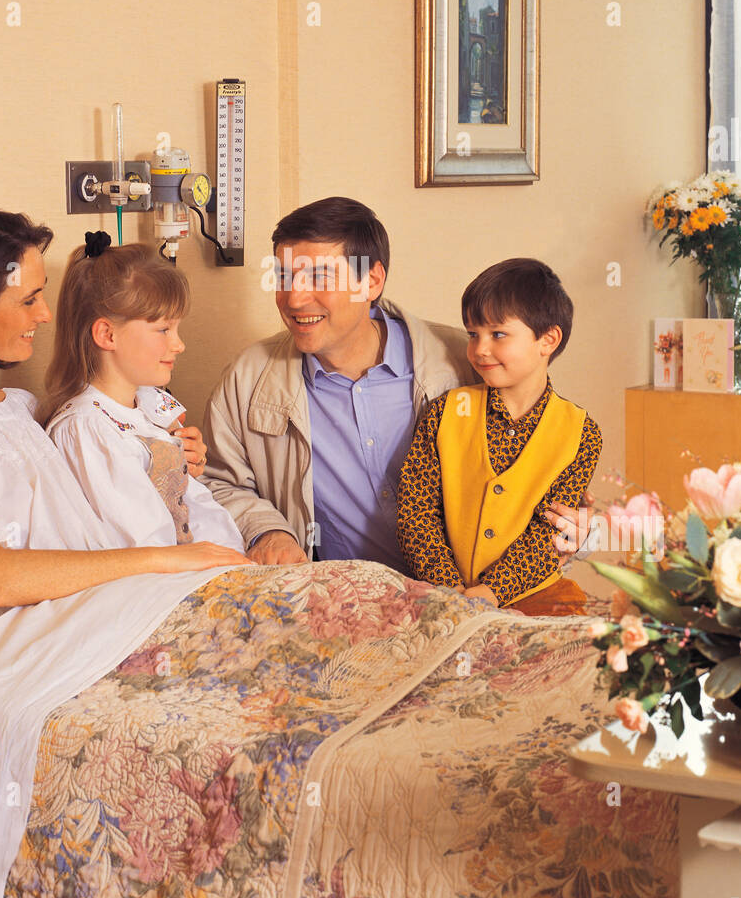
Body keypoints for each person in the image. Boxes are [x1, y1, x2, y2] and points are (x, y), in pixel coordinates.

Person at [0, 209, 249, 652]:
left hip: (115, 612)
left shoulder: (24, 410)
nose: (45, 315)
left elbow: (108, 495)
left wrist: (171, 462)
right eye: (28, 300)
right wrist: (167, 559)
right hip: (41, 646)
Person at [202, 198, 591, 572]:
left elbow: (540, 456)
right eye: (284, 276)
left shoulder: (464, 360)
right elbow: (217, 483)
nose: (295, 298)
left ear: (371, 281)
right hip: (349, 607)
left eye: (319, 276)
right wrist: (268, 531)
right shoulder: (247, 378)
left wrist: (580, 527)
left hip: (477, 596)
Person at [396, 258, 601, 614]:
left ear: (548, 340)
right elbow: (416, 514)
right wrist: (453, 592)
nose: (480, 349)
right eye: (473, 334)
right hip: (443, 591)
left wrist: (491, 593)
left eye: (497, 334)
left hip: (537, 594)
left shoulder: (582, 433)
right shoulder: (443, 413)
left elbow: (549, 532)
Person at [39, 232, 244, 553]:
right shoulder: (85, 428)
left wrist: (185, 460)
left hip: (218, 561)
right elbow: (141, 543)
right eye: (163, 330)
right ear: (107, 334)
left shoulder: (149, 402)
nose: (179, 345)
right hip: (172, 580)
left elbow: (193, 500)